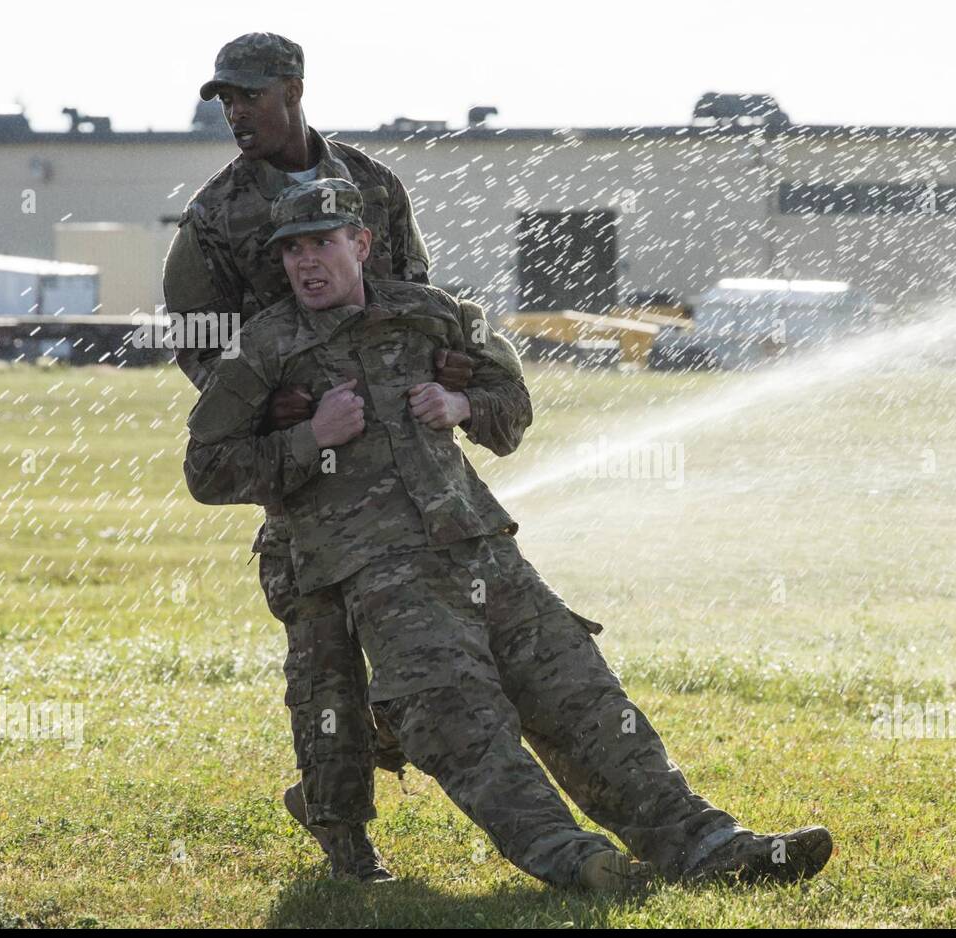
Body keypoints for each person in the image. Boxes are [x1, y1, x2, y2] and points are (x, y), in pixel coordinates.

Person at [183, 178, 834, 890]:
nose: (307, 262)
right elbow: (208, 470)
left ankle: (712, 845)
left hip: (481, 546)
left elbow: (511, 410)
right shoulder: (265, 349)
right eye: (293, 250)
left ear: (361, 245)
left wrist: (463, 401)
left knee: (584, 697)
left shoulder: (434, 317)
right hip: (373, 570)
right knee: (462, 715)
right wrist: (312, 436)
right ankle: (577, 860)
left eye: (323, 243)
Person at [163, 31, 472, 880]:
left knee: (439, 636)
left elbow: (411, 293)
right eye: (222, 100)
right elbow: (196, 341)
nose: (234, 113)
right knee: (322, 646)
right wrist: (270, 406)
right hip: (303, 458)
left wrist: (448, 365)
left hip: (401, 454)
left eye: (247, 97)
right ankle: (345, 839)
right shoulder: (216, 213)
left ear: (292, 89)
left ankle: (364, 751)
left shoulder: (372, 186)